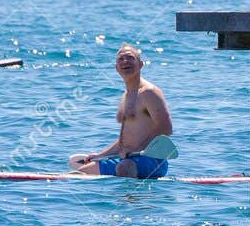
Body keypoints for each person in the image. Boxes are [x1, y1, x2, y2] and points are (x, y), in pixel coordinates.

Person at [70, 45, 174, 179]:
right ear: (116, 68)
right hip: (129, 157)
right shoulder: (126, 96)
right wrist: (101, 155)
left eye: (130, 58)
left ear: (140, 64)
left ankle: (132, 198)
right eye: (121, 59)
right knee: (79, 168)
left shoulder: (149, 92)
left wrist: (139, 148)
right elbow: (125, 141)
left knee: (124, 167)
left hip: (151, 161)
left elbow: (166, 128)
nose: (125, 61)